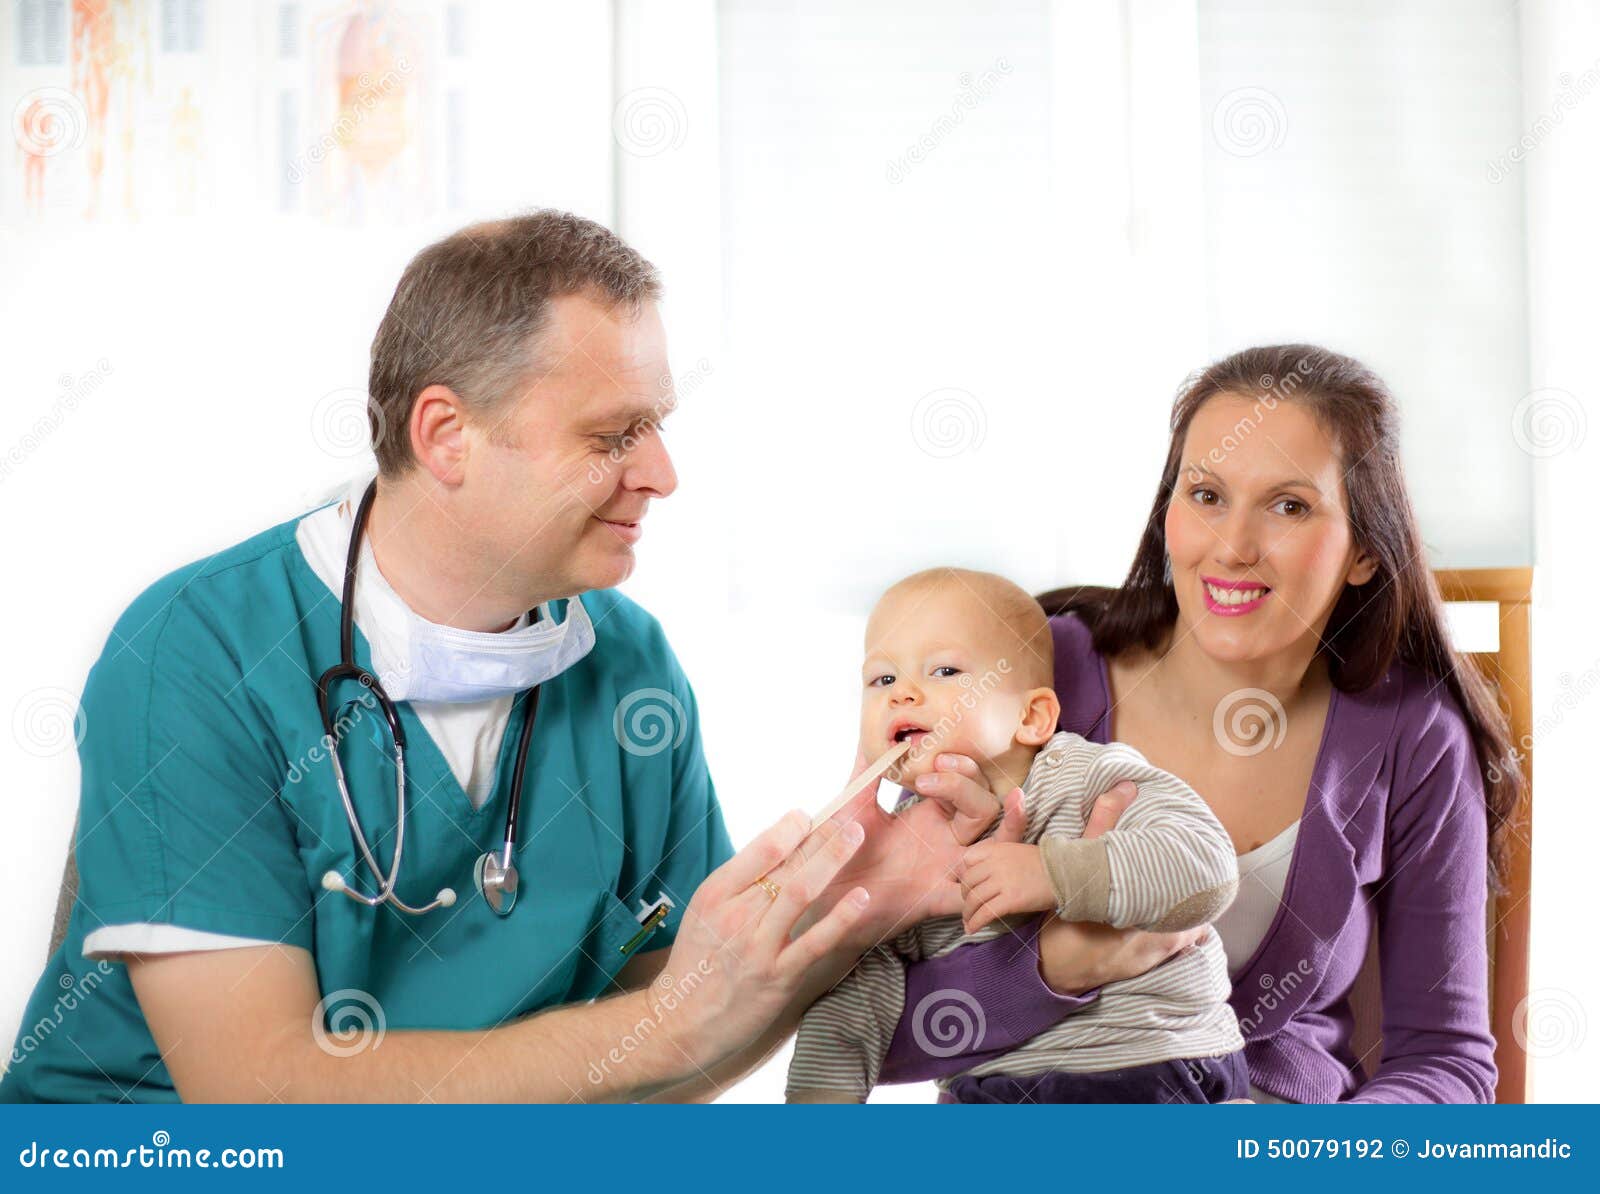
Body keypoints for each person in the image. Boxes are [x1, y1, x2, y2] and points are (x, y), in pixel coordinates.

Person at [6, 211, 1139, 1104]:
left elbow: (670, 1049)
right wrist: (667, 1026)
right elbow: (261, 1100)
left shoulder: (626, 665)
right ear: (446, 436)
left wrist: (848, 910)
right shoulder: (195, 656)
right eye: (612, 437)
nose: (662, 474)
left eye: (658, 425)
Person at [869, 346, 1518, 1104]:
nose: (1233, 548)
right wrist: (1060, 966)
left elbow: (1446, 1061)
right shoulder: (1027, 682)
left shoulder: (1412, 733)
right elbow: (877, 1036)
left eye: (1289, 506)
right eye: (1206, 494)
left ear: (1367, 552)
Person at [785, 569, 1247, 1104]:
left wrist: (1052, 872)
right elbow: (851, 1012)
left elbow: (1208, 867)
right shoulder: (897, 849)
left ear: (1031, 716)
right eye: (882, 679)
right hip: (989, 1094)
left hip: (1148, 1063)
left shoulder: (1085, 777)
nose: (902, 695)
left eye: (944, 670)